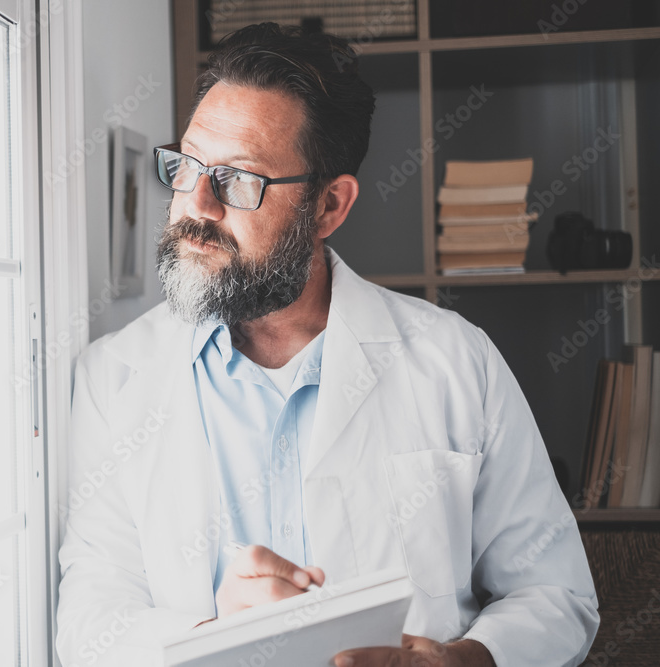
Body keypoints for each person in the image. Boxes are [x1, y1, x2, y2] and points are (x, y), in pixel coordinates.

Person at [56, 23, 598, 667]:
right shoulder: (112, 378)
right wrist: (211, 633)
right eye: (187, 166)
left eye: (236, 181)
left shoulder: (456, 360)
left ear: (329, 206)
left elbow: (557, 593)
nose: (194, 205)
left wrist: (461, 661)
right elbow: (90, 622)